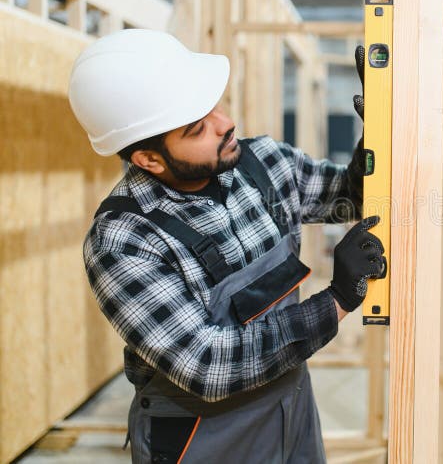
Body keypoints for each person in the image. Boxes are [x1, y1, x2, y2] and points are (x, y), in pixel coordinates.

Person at [69, 28, 385, 464]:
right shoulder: (124, 240)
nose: (225, 123)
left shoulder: (264, 164)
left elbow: (347, 194)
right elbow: (207, 366)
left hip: (290, 412)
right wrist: (336, 302)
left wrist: (381, 136)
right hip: (203, 438)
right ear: (149, 159)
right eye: (198, 127)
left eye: (212, 105)